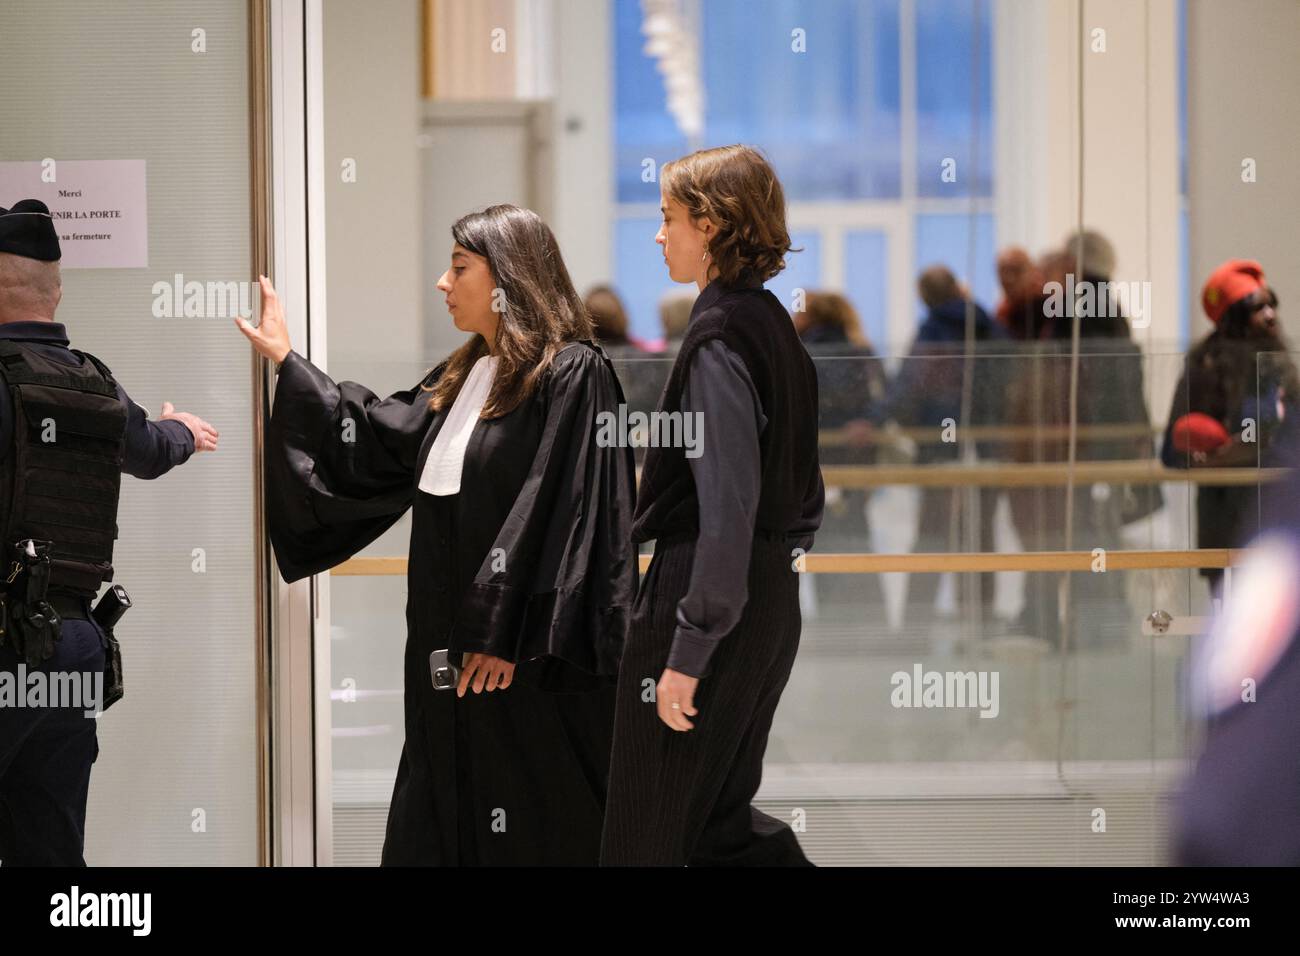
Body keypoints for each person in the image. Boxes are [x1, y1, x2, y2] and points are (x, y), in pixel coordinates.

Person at [238, 204, 637, 865]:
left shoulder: (573, 373)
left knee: (530, 825)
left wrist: (500, 633)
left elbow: (560, 509)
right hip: (448, 657)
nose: (442, 284)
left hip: (519, 661)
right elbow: (377, 437)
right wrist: (289, 362)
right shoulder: (467, 372)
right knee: (438, 818)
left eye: (459, 267)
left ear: (509, 278)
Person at [600, 145, 824, 866]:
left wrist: (689, 646)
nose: (659, 234)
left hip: (704, 594)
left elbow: (726, 506)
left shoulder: (720, 332)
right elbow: (801, 498)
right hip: (765, 598)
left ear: (714, 224)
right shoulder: (773, 327)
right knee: (718, 832)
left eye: (669, 218)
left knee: (647, 836)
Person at [0, 199, 217, 866]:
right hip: (72, 646)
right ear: (55, 291)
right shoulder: (96, 383)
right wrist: (187, 433)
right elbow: (151, 448)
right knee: (51, 842)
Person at [873, 265, 1005, 627]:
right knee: (980, 539)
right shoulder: (989, 326)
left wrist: (878, 419)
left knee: (933, 537)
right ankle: (980, 622)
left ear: (926, 298)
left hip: (941, 449)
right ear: (958, 289)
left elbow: (909, 389)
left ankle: (915, 625)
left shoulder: (933, 331)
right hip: (987, 449)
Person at [1160, 259, 1299, 597]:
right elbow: (1172, 451)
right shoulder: (1203, 369)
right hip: (1228, 519)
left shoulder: (1280, 368)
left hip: (1281, 518)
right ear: (1233, 319)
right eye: (1257, 308)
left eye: (1271, 304)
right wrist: (1213, 456)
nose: (1269, 316)